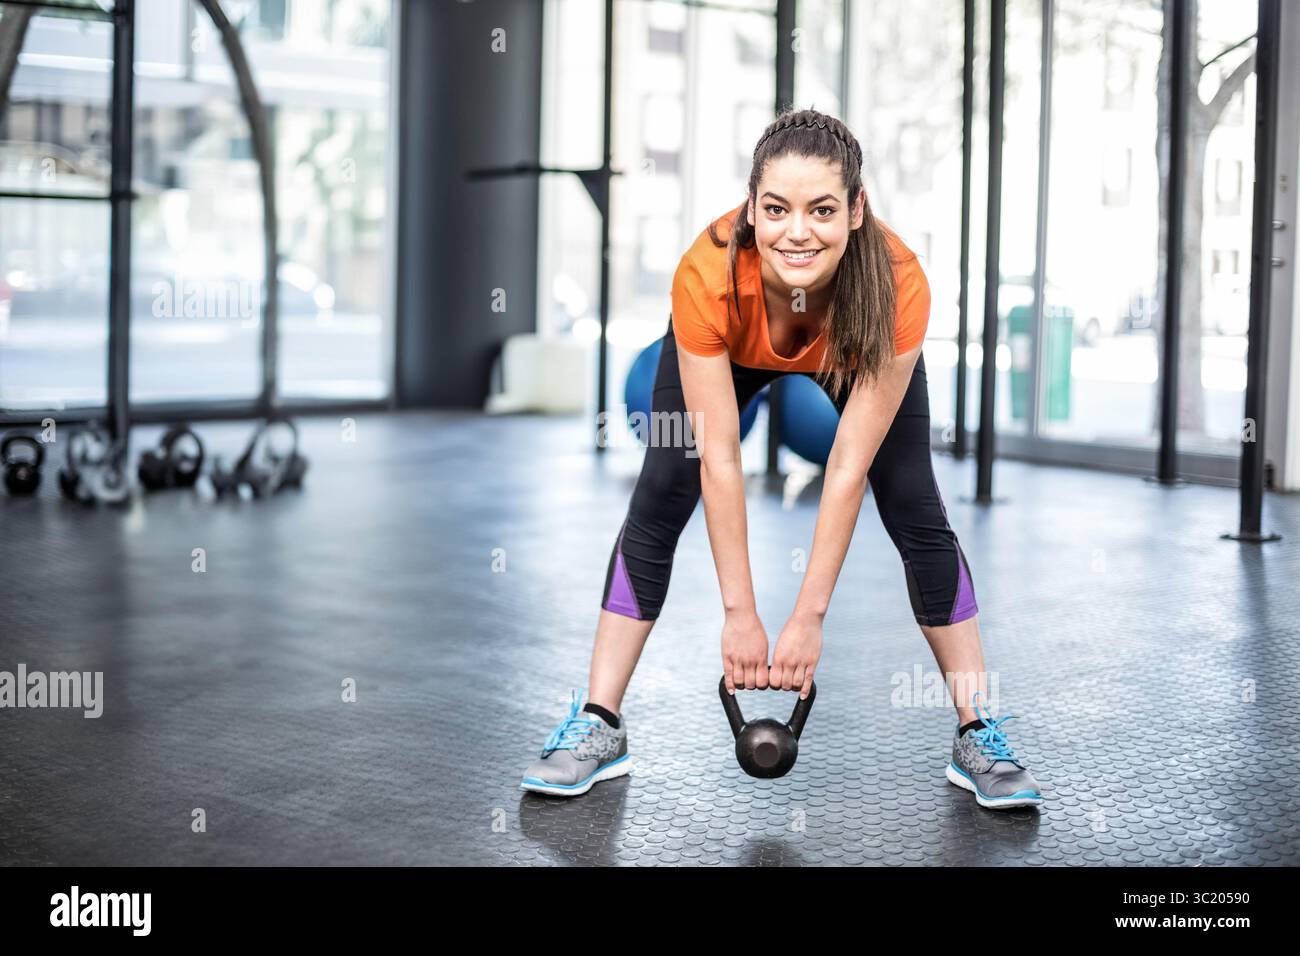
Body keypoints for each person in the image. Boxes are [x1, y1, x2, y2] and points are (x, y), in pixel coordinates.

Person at [521, 109, 1043, 810]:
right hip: (729, 354)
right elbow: (722, 462)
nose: (798, 232)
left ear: (857, 210)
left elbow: (847, 467)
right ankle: (598, 721)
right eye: (777, 209)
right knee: (665, 485)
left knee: (914, 499)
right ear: (751, 207)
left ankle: (978, 728)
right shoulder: (706, 275)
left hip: (850, 350)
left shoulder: (897, 284)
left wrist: (808, 617)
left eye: (822, 209)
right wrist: (741, 613)